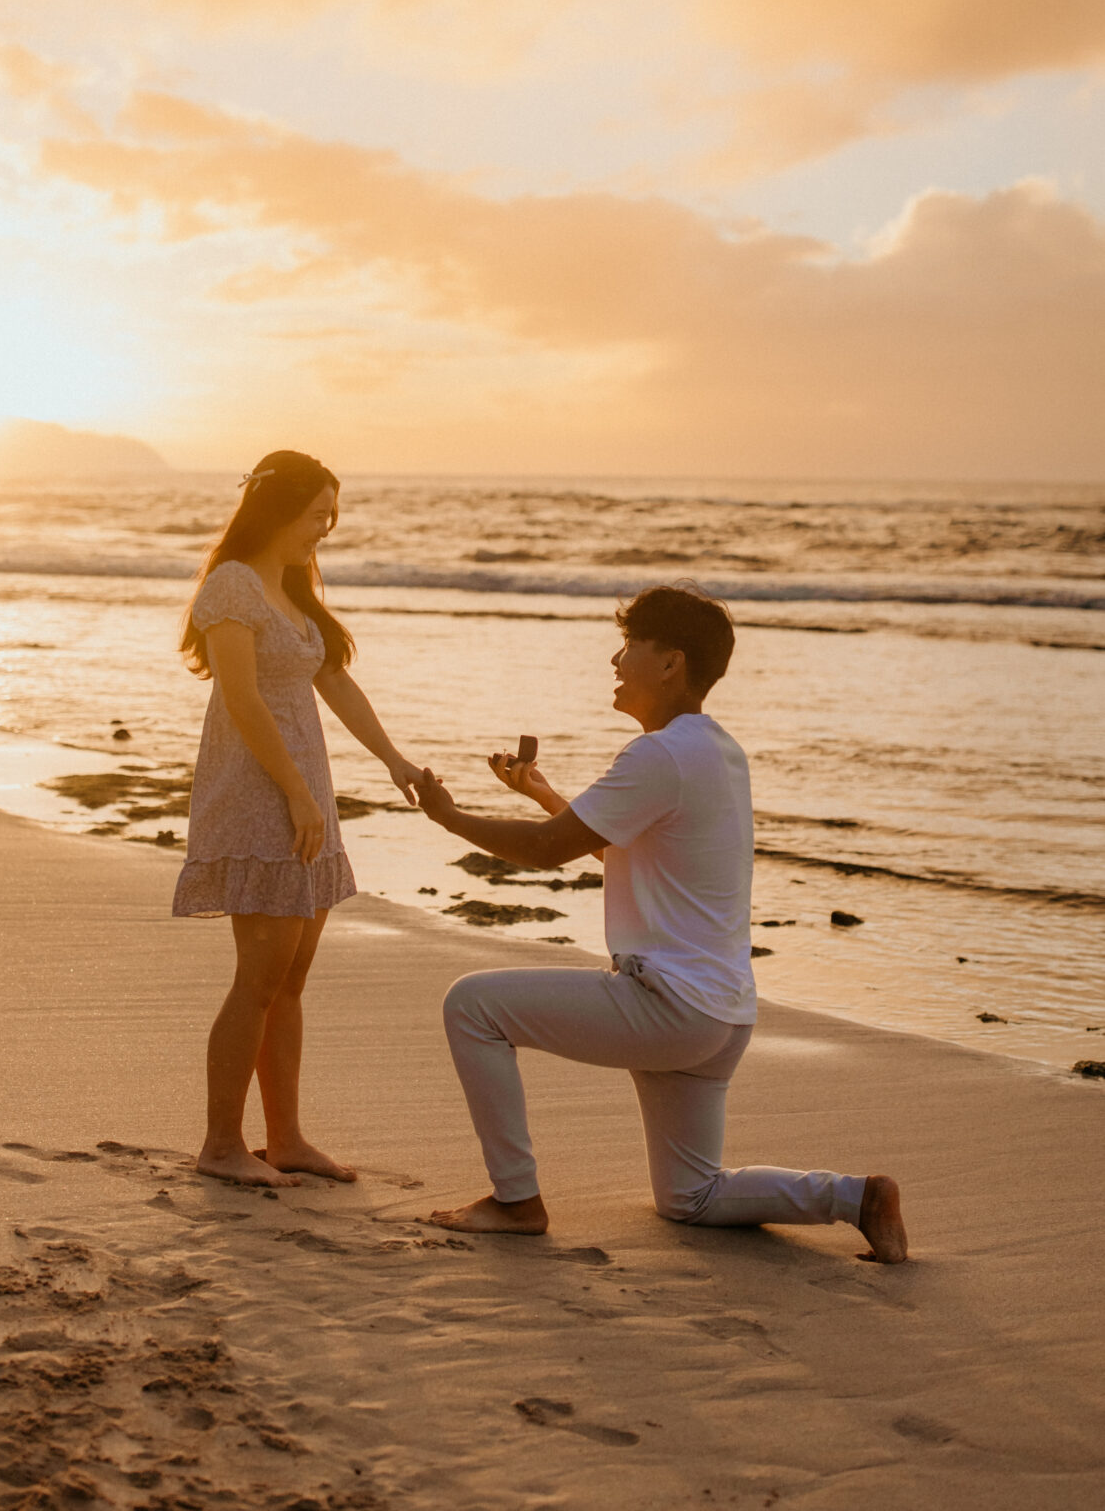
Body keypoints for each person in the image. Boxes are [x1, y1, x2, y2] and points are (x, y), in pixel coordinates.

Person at [417, 582, 908, 1262]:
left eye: (628, 647)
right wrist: (540, 793)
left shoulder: (659, 755)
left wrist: (444, 816)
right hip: (721, 1015)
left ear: (670, 662)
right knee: (690, 1198)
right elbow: (612, 845)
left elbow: (543, 852)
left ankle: (515, 1200)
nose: (614, 663)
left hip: (668, 1007)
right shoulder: (714, 749)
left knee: (471, 1005)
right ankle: (855, 1197)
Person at [175, 450, 423, 1188]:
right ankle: (222, 1143)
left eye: (331, 517)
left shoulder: (292, 589)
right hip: (257, 790)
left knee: (289, 981)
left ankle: (284, 1138)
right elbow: (243, 699)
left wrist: (394, 761)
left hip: (303, 792)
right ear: (276, 511)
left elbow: (335, 683)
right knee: (258, 976)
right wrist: (292, 791)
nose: (324, 529)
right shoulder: (231, 586)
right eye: (316, 515)